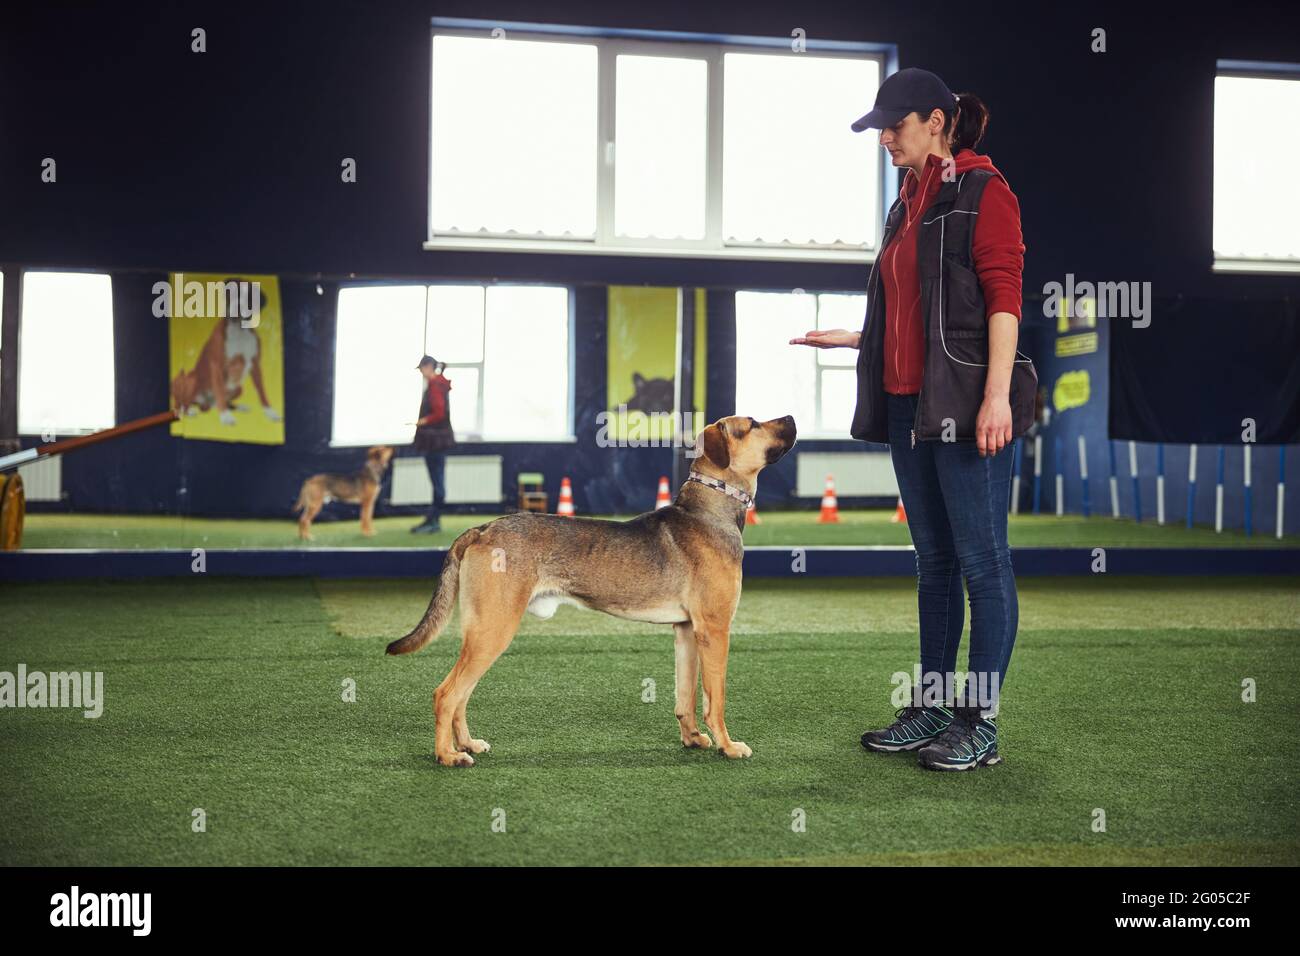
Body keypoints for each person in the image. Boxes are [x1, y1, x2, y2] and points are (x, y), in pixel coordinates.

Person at [791, 68, 1033, 771]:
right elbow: (913, 306)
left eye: (894, 127)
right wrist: (858, 337)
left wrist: (995, 397)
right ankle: (931, 708)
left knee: (984, 564)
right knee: (935, 565)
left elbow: (1003, 299)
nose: (884, 140)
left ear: (935, 121)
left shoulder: (986, 192)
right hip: (909, 407)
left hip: (965, 405)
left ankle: (979, 721)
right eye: (879, 130)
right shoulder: (906, 203)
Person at [411, 355, 455, 534]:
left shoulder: (436, 385)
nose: (421, 372)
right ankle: (433, 518)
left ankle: (434, 521)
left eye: (422, 368)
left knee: (437, 481)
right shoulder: (439, 383)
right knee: (438, 480)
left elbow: (438, 413)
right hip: (439, 440)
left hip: (434, 440)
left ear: (428, 367)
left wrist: (423, 421)